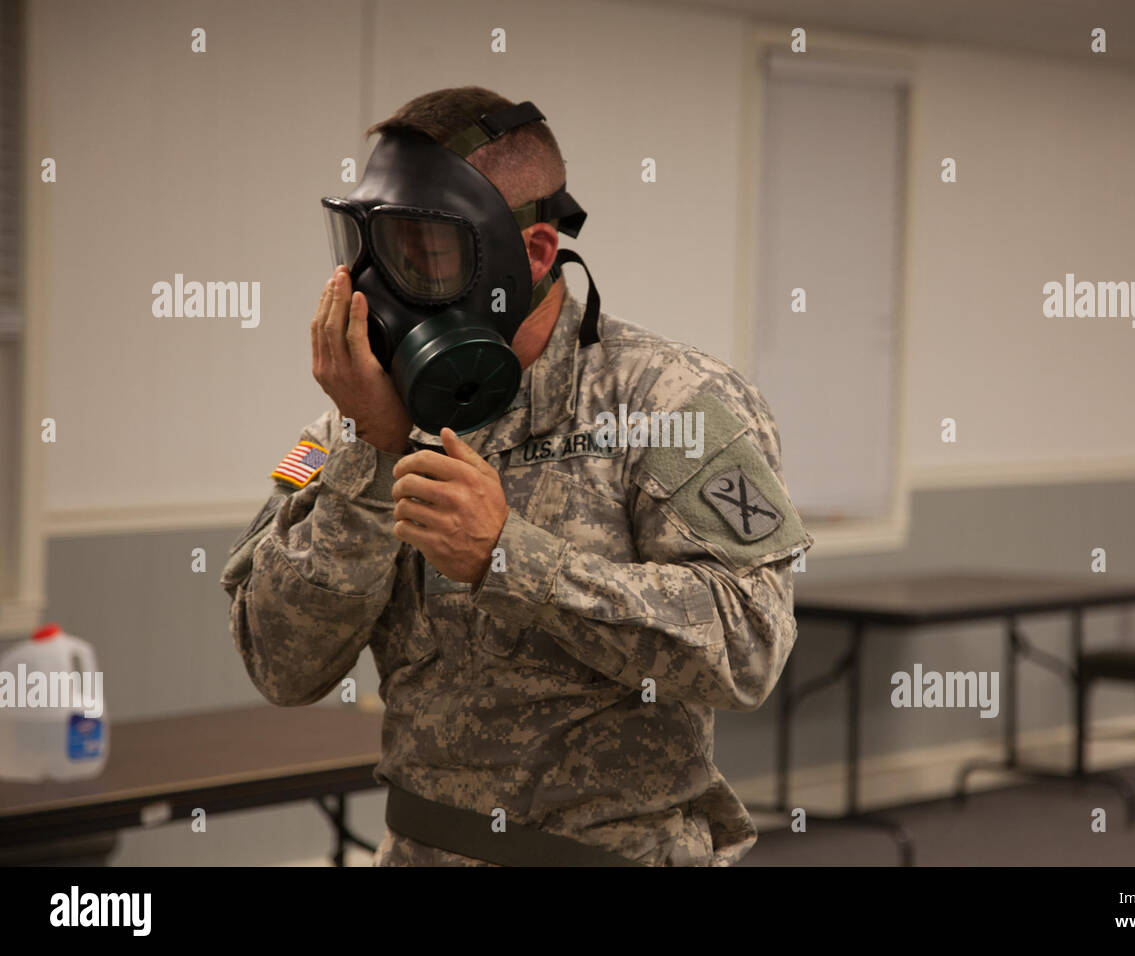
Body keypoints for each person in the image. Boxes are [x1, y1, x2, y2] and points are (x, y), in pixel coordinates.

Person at [220, 86, 813, 866]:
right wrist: (375, 448)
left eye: (419, 252)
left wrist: (510, 556)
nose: (377, 287)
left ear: (529, 254)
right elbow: (281, 664)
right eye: (364, 248)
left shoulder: (669, 401)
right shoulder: (356, 423)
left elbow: (749, 645)